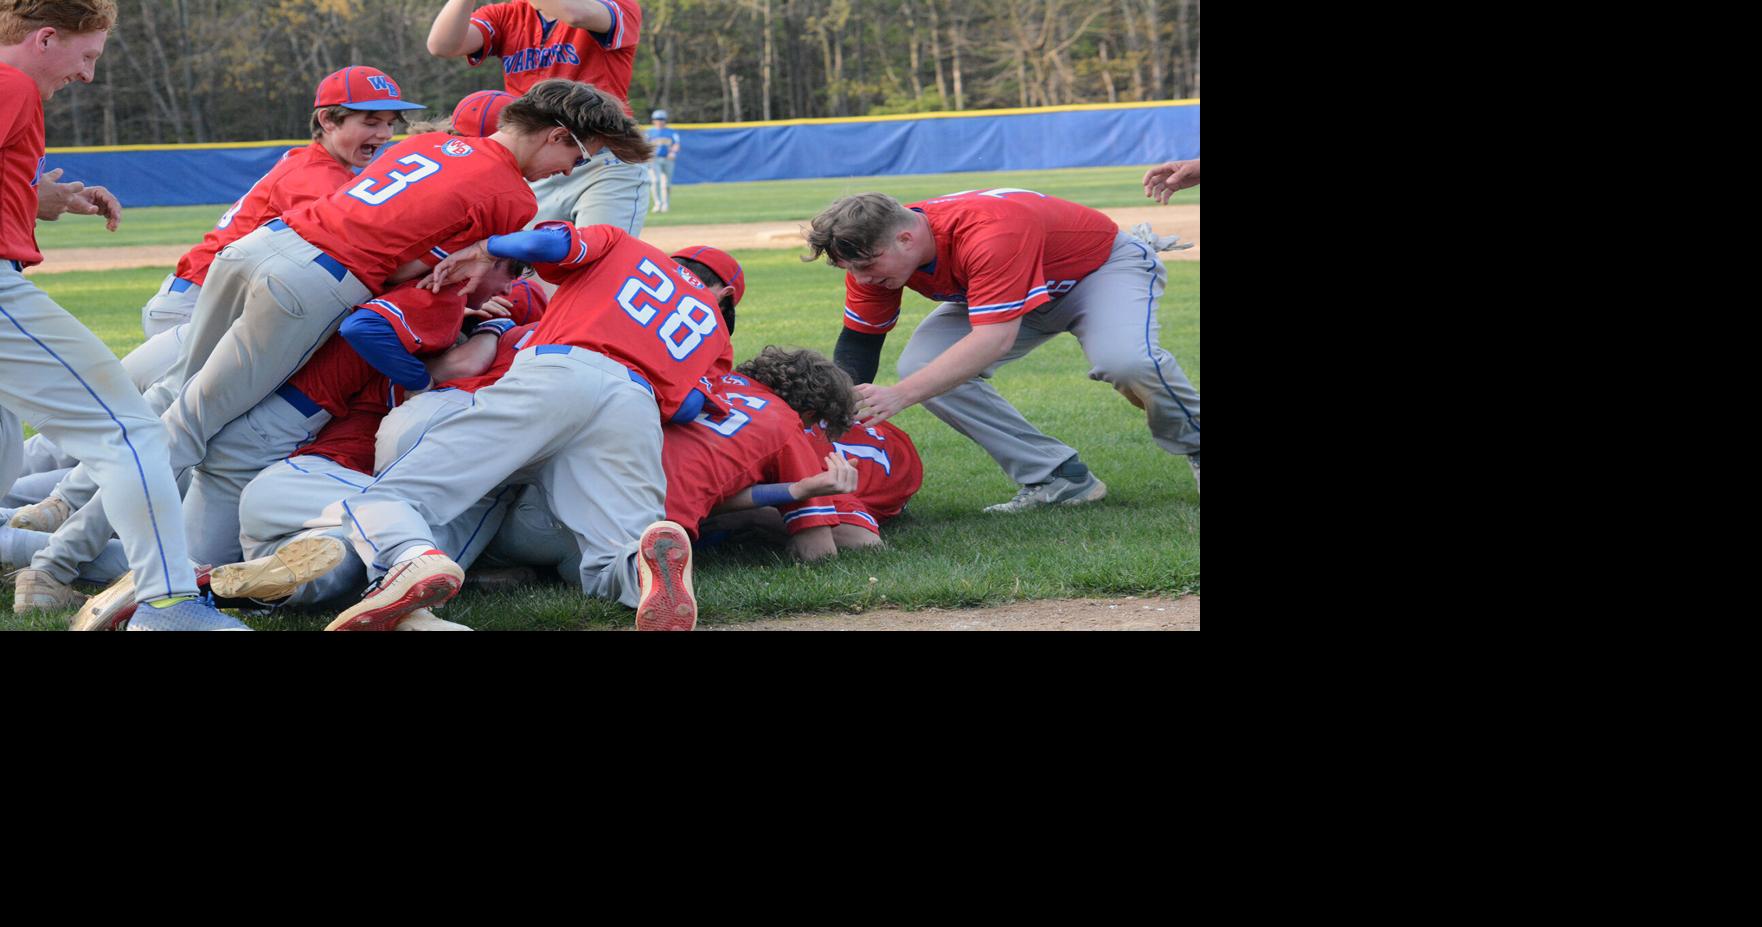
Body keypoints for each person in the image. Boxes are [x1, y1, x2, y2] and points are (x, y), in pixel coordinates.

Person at [17, 78, 649, 605]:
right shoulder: (511, 195)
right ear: (556, 135)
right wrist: (467, 277)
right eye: (578, 155)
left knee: (173, 407)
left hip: (262, 247)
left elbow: (393, 234)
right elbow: (408, 277)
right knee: (184, 427)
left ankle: (56, 517)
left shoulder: (430, 142)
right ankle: (52, 564)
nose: (571, 170)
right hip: (314, 280)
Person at [323, 225, 738, 631]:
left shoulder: (625, 246)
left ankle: (410, 558)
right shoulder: (717, 330)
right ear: (723, 294)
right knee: (614, 550)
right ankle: (638, 574)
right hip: (635, 405)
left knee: (390, 497)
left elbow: (547, 244)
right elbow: (688, 408)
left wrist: (486, 248)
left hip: (559, 373)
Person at [0, 0, 245, 629]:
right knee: (130, 433)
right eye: (86, 55)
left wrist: (36, 196)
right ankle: (170, 608)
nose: (86, 75)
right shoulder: (12, 84)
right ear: (45, 38)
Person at [806, 188, 1202, 510]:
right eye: (851, 269)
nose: (861, 278)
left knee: (1126, 362)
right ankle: (1058, 477)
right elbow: (860, 342)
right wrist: (834, 412)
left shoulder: (987, 232)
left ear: (906, 239)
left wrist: (899, 396)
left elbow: (994, 339)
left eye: (865, 266)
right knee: (922, 365)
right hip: (1011, 290)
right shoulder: (875, 253)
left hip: (1097, 271)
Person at [138, 66, 419, 338]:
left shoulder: (315, 164)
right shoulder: (315, 177)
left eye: (390, 123)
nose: (385, 134)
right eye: (371, 122)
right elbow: (363, 252)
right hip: (195, 306)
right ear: (327, 121)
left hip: (208, 299)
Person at [426, 0, 652, 234]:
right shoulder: (507, 14)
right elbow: (442, 46)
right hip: (536, 163)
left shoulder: (616, 4)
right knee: (525, 255)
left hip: (599, 159)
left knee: (598, 252)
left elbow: (574, 13)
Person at [647, 109, 678, 213]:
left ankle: (665, 204)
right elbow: (645, 145)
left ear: (665, 120)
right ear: (653, 120)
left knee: (666, 184)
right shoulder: (649, 132)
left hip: (667, 159)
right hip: (654, 159)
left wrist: (672, 152)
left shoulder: (671, 131)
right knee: (655, 181)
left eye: (661, 119)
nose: (659, 121)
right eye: (657, 119)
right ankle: (657, 204)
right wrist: (648, 155)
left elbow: (676, 144)